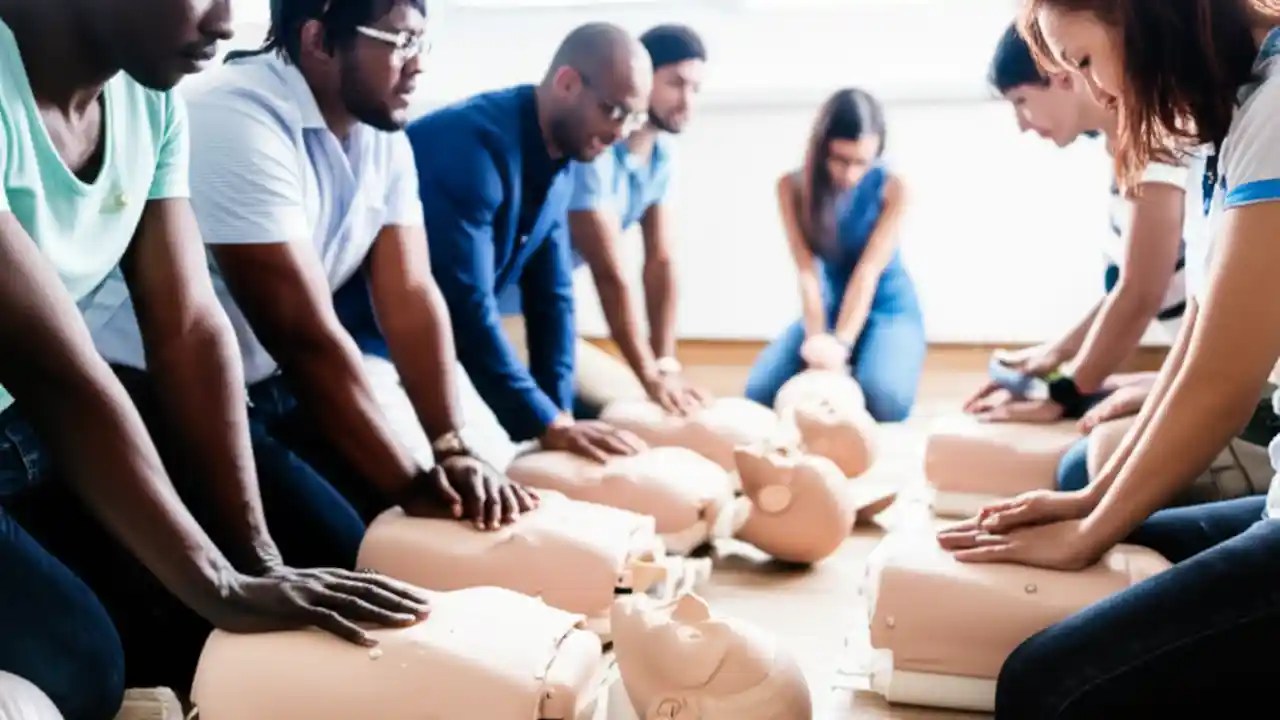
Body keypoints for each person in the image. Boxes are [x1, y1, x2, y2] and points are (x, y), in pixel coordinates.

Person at [0, 1, 431, 717]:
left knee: (205, 615)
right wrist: (219, 582)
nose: (226, 23)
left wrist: (257, 559)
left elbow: (189, 328)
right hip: (46, 399)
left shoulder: (149, 101)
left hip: (27, 432)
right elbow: (57, 372)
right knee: (83, 664)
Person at [937, 1, 1280, 714]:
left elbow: (1223, 383)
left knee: (1044, 684)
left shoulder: (1273, 108)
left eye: (1086, 61)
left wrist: (1090, 529)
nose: (1096, 91)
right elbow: (1199, 343)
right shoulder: (1241, 107)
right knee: (1120, 535)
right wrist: (1089, 504)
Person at [336, 22, 651, 463]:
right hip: (363, 350)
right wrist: (547, 423)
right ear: (567, 83)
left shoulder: (559, 156)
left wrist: (557, 413)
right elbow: (466, 304)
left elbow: (553, 297)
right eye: (613, 111)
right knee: (453, 482)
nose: (620, 133)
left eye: (633, 118)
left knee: (517, 463)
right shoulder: (472, 147)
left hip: (438, 357)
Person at [964, 20, 1204, 430]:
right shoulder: (1125, 151)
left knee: (1080, 458)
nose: (1021, 123)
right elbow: (1126, 288)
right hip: (1203, 363)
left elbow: (1140, 293)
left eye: (1021, 100)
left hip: (1237, 373)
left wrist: (1065, 393)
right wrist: (1054, 357)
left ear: (1064, 77)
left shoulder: (1157, 139)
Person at [499, 23, 712, 419]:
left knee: (647, 399)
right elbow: (610, 273)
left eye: (696, 88)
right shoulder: (594, 147)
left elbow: (660, 261)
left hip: (546, 315)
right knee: (628, 404)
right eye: (675, 84)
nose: (687, 100)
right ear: (641, 80)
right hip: (503, 313)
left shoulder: (662, 156)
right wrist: (649, 378)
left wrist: (665, 365)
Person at [744, 88, 925, 422]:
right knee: (759, 393)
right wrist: (817, 342)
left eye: (862, 162)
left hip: (888, 308)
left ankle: (873, 356)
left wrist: (840, 344)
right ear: (821, 150)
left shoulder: (895, 187)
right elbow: (806, 271)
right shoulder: (791, 187)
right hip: (828, 305)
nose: (850, 174)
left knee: (885, 403)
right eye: (840, 160)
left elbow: (868, 271)